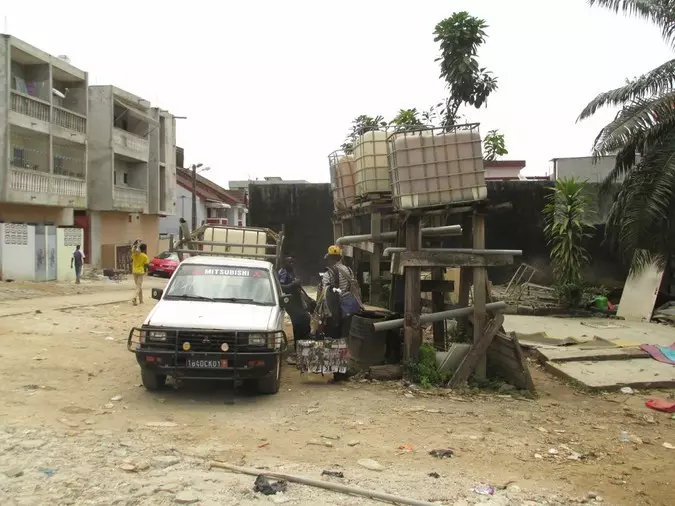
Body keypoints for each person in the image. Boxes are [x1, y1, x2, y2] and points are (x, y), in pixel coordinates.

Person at [131, 239, 150, 305]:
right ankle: (134, 298)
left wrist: (136, 243)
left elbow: (133, 251)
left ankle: (141, 300)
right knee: (138, 286)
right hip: (140, 272)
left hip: (134, 271)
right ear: (145, 249)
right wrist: (148, 271)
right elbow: (146, 265)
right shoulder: (145, 256)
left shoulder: (135, 254)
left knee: (138, 286)